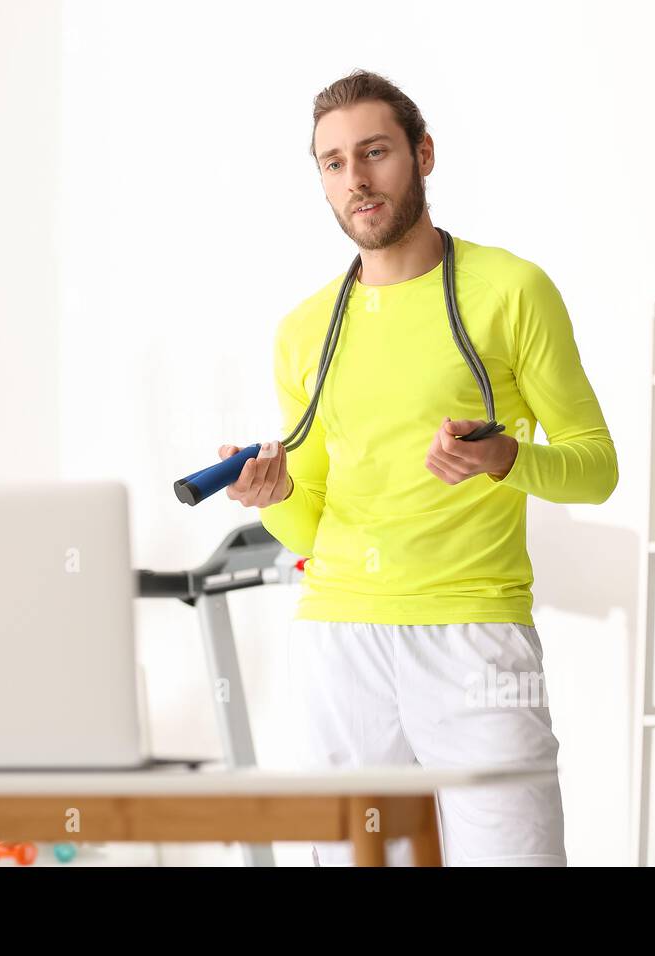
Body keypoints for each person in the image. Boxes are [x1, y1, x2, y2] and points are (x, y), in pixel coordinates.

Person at [218, 69, 618, 866]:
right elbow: (312, 513)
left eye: (375, 153)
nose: (356, 180)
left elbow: (595, 468)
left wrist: (504, 456)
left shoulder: (512, 292)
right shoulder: (304, 332)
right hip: (341, 638)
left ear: (423, 153)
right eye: (333, 163)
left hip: (474, 633)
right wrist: (275, 495)